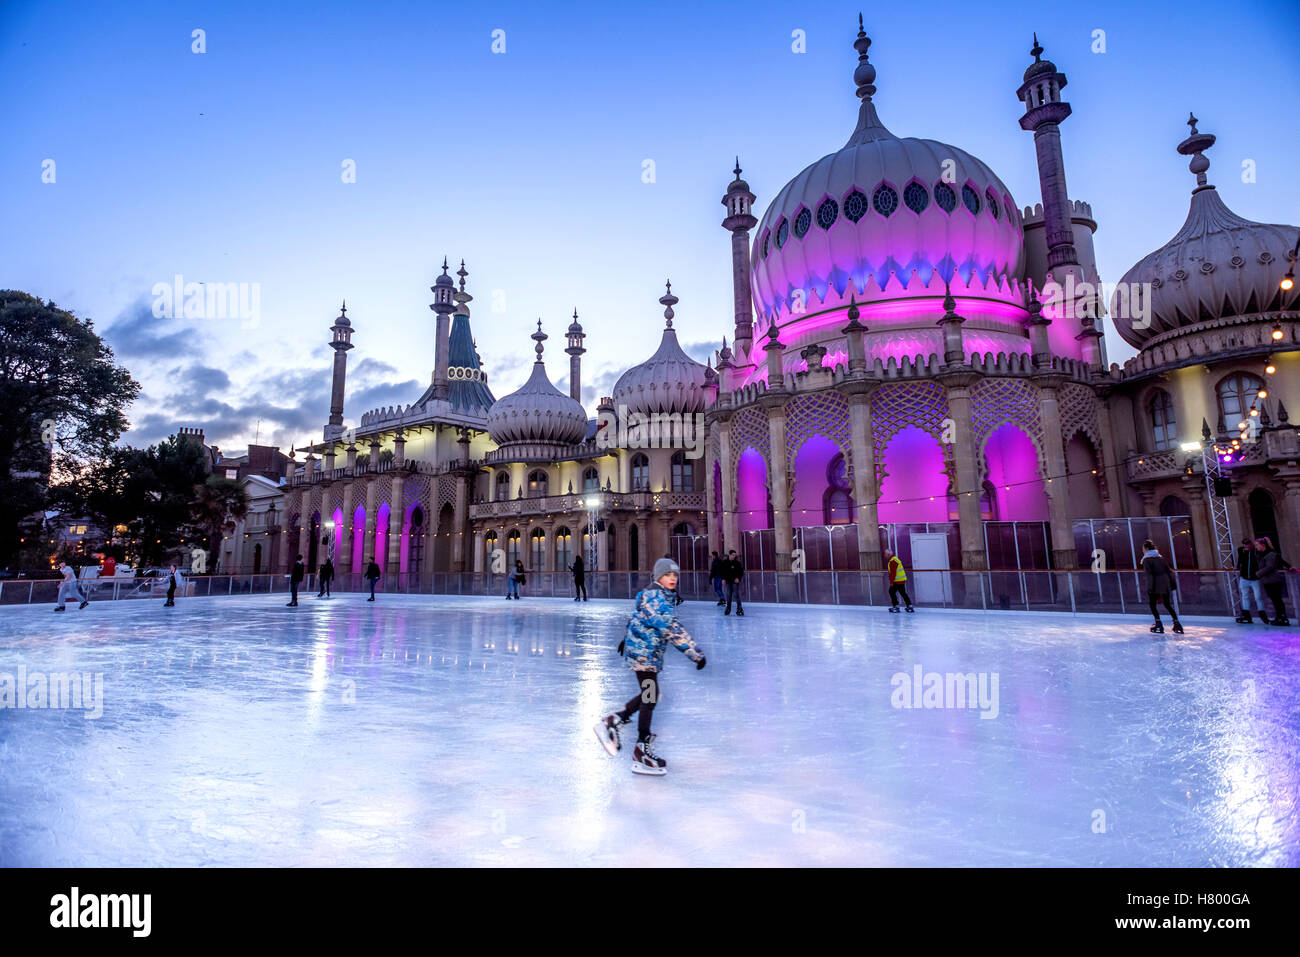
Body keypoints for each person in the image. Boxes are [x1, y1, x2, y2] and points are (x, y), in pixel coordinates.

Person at [593, 558, 706, 775]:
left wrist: (626, 639)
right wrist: (694, 653)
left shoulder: (656, 594)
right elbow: (670, 627)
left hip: (645, 652)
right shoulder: (657, 597)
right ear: (658, 577)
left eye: (675, 575)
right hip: (644, 654)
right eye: (668, 574)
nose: (672, 578)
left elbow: (637, 618)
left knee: (649, 695)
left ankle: (616, 721)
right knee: (650, 696)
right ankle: (639, 748)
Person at [1141, 540, 1182, 634]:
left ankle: (1158, 623)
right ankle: (1176, 622)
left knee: (1152, 604)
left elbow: (1149, 575)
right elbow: (1169, 571)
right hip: (1165, 584)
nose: (1143, 550)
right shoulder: (1160, 558)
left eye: (1143, 549)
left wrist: (1150, 588)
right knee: (1167, 604)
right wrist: (1172, 584)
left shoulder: (1147, 560)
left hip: (1155, 585)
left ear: (1146, 549)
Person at [1255, 537, 1291, 626]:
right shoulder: (1262, 554)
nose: (1256, 547)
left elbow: (1270, 566)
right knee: (1275, 599)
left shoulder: (1270, 554)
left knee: (1277, 599)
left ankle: (1282, 617)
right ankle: (1279, 616)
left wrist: (1258, 573)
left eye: (1257, 545)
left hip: (1273, 580)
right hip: (1268, 580)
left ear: (1263, 545)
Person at [1235, 538, 1265, 623]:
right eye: (1245, 544)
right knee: (1245, 596)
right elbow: (1240, 559)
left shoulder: (1255, 551)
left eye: (1248, 544)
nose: (1246, 546)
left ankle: (1262, 614)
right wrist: (1237, 567)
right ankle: (1246, 615)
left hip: (1254, 578)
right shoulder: (1242, 550)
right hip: (1244, 577)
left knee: (1258, 597)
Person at [883, 548, 914, 613]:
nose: (884, 555)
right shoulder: (895, 559)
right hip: (901, 580)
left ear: (888, 554)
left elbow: (893, 573)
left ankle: (896, 606)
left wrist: (891, 582)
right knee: (902, 593)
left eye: (885, 554)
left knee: (891, 591)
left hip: (897, 580)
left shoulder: (892, 561)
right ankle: (909, 605)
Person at [722, 548, 745, 616]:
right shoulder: (725, 563)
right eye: (732, 555)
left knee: (736, 594)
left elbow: (741, 572)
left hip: (735, 581)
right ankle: (728, 608)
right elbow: (723, 572)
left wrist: (738, 578)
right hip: (728, 581)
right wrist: (723, 579)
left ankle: (739, 608)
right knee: (728, 595)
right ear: (729, 555)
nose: (733, 556)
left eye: (734, 555)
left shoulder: (737, 563)